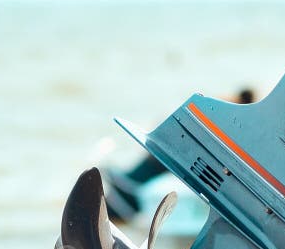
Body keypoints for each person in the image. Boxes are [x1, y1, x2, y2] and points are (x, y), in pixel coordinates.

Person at [103, 88, 256, 222]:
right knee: (168, 145)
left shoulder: (227, 114)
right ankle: (131, 187)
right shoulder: (240, 125)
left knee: (167, 145)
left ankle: (131, 185)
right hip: (202, 162)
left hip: (201, 163)